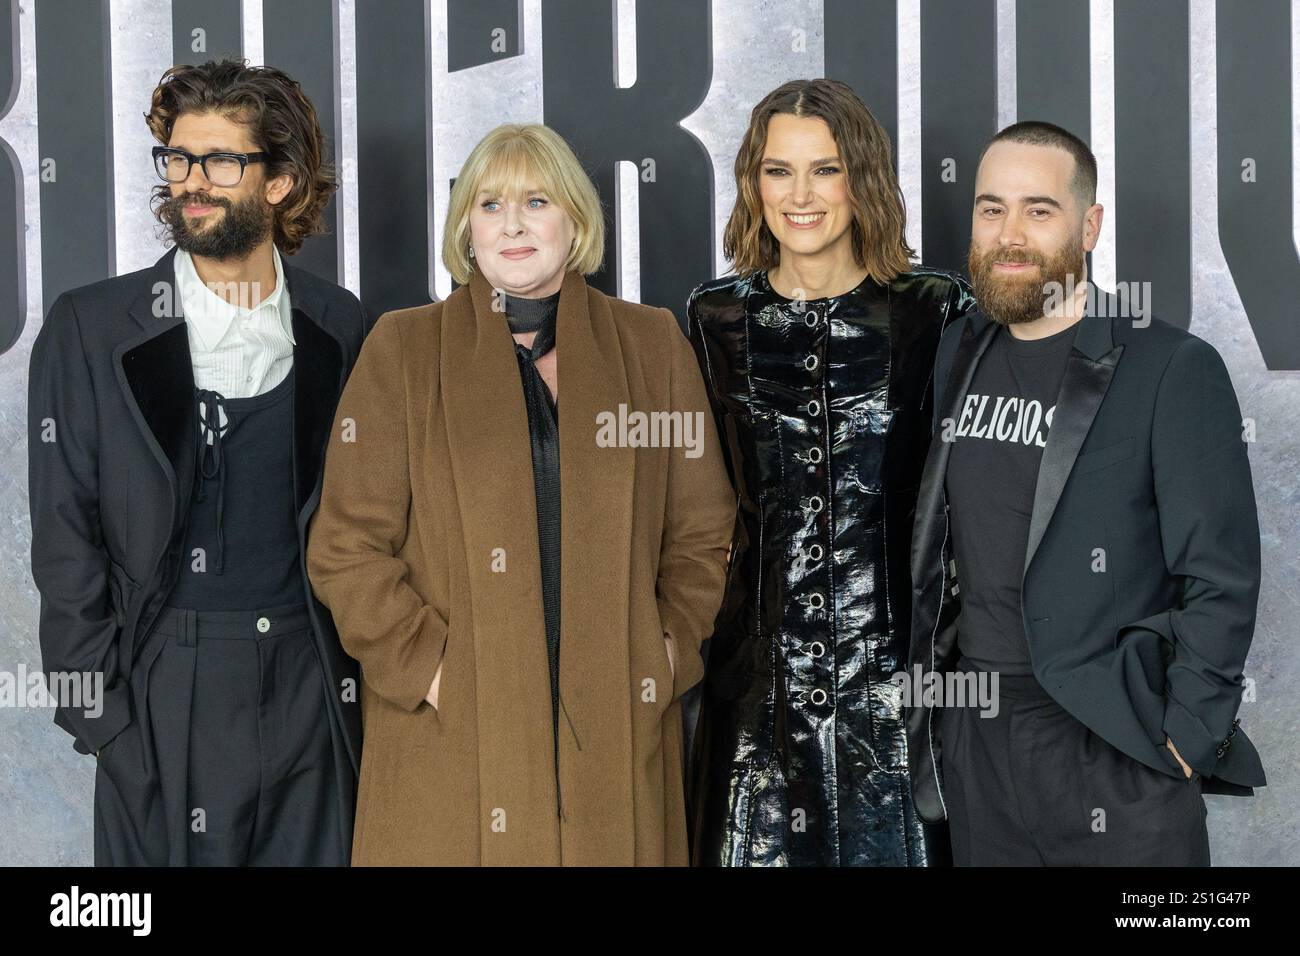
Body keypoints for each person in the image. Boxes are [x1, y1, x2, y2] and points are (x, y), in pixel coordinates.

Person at [306, 123, 735, 865]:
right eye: (489, 204)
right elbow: (347, 547)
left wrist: (665, 655)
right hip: (451, 740)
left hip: (615, 736)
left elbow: (704, 529)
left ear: (575, 220)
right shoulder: (403, 351)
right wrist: (432, 673)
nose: (512, 223)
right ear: (466, 228)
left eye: (536, 201)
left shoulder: (652, 344)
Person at [27, 59, 369, 865]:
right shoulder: (91, 328)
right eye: (178, 159)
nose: (191, 182)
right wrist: (105, 724)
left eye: (220, 162)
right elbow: (64, 539)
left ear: (281, 182)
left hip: (311, 682)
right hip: (162, 689)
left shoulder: (343, 325)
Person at [905, 120, 1265, 865]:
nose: (1009, 234)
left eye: (1039, 210)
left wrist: (1187, 735)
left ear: (1089, 223)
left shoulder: (1169, 366)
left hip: (1111, 741)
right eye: (990, 208)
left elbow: (1221, 572)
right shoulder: (957, 348)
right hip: (979, 737)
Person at [687, 78, 975, 866]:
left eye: (826, 169)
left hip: (896, 698)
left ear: (865, 179)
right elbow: (696, 510)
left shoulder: (935, 309)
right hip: (754, 701)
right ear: (754, 183)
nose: (801, 194)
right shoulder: (713, 318)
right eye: (779, 170)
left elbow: (977, 500)